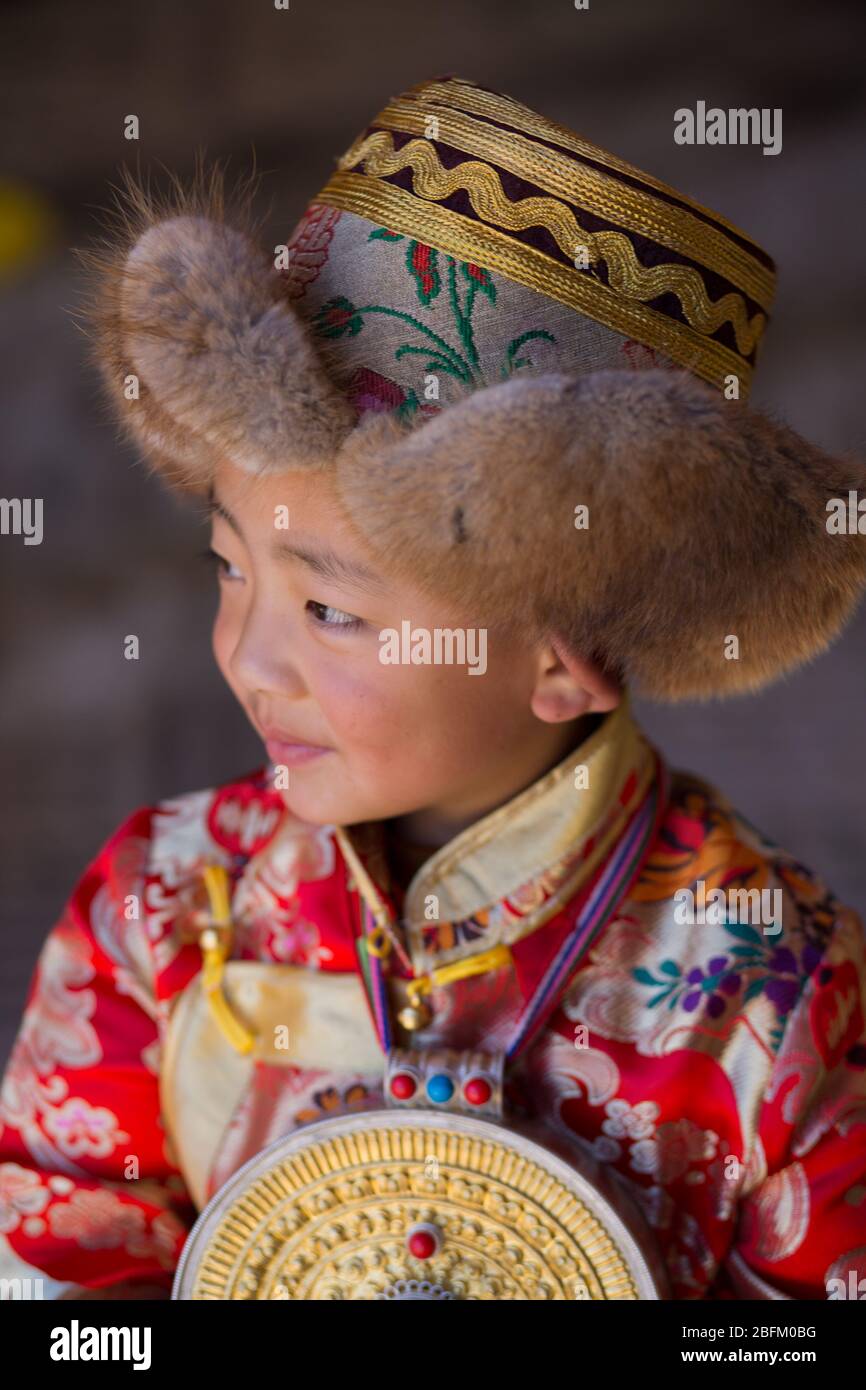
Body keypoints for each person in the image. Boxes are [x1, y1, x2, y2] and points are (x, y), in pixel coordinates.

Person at [2, 75, 865, 1301]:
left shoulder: (769, 983)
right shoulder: (159, 910)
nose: (248, 656)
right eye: (228, 568)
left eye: (331, 611)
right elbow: (57, 1287)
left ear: (563, 656)